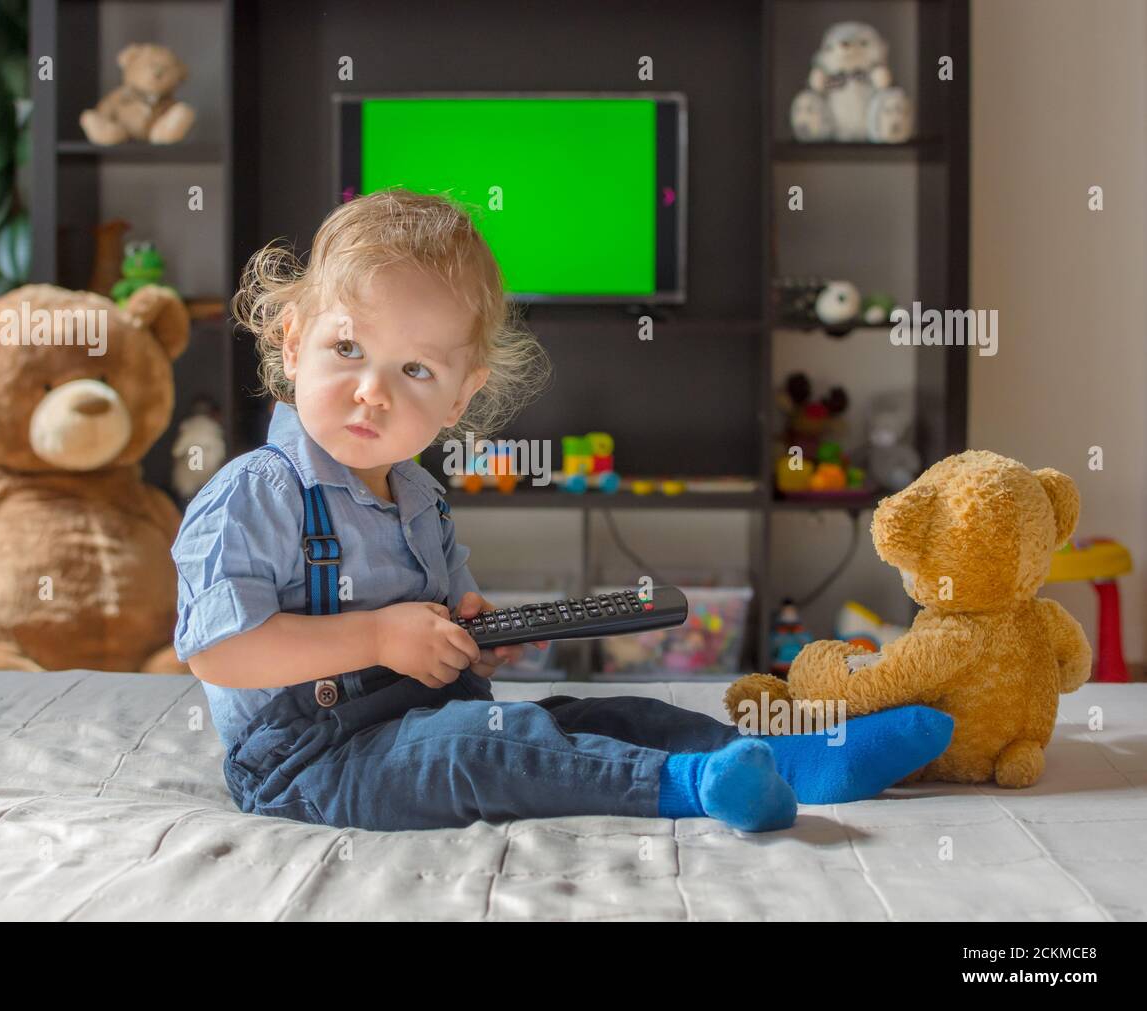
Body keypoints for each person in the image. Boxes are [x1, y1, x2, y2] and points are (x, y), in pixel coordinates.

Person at [172, 189, 952, 832]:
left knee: (600, 712)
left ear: (459, 398)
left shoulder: (417, 496)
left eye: (413, 368)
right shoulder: (257, 492)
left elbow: (440, 617)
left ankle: (785, 757)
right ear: (293, 336)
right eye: (348, 349)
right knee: (478, 750)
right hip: (311, 763)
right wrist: (378, 635)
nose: (373, 389)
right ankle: (695, 785)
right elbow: (219, 653)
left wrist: (471, 634)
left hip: (429, 713)